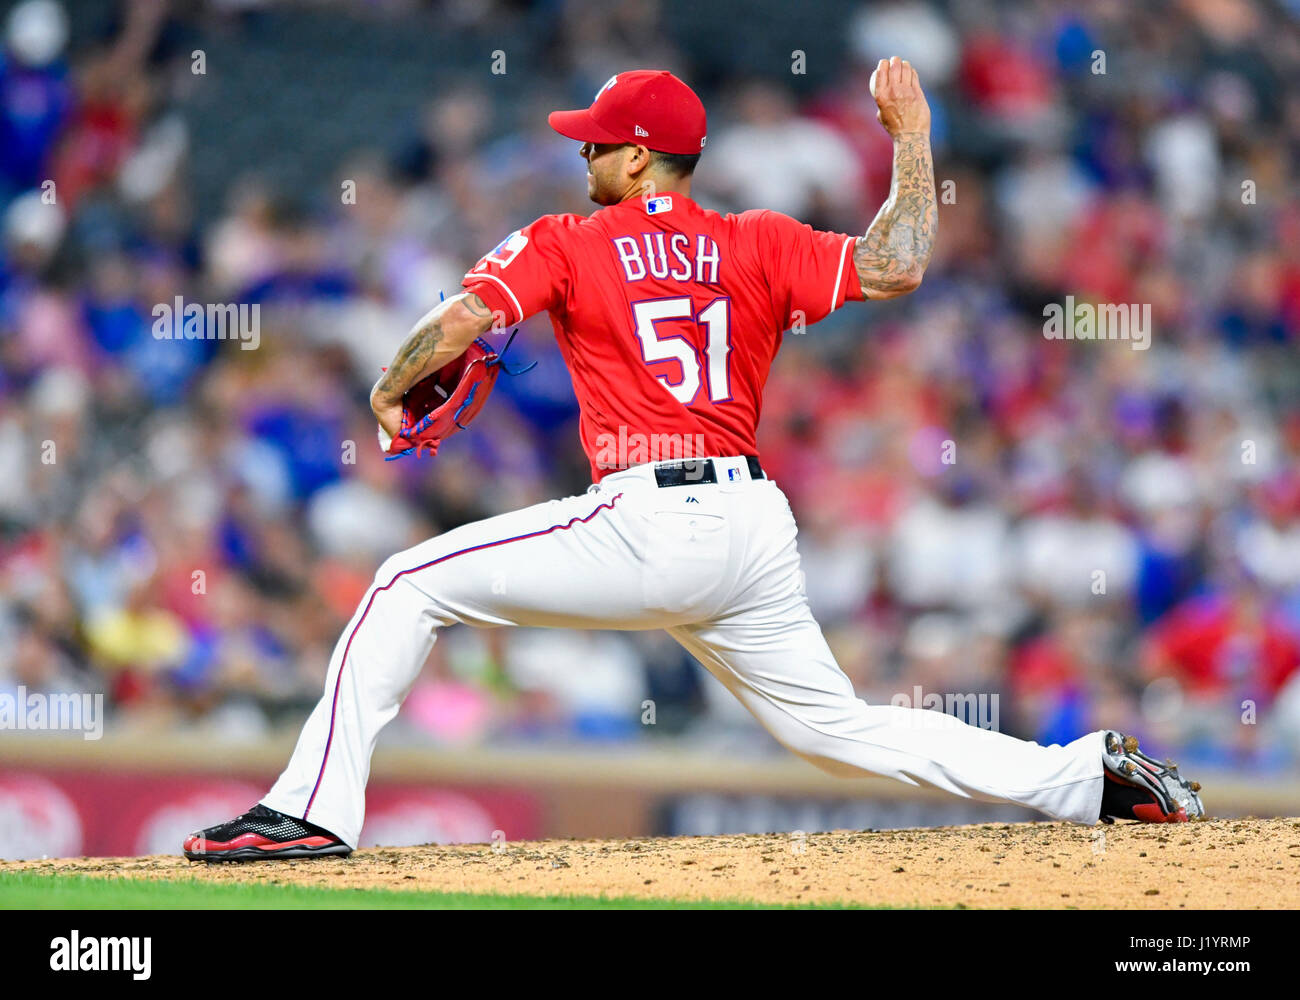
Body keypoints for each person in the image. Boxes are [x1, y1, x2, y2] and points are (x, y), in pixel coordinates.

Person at [185, 61, 1202, 862]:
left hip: (647, 513)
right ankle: (1084, 779)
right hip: (751, 524)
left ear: (636, 160)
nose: (582, 157)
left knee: (406, 581)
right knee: (834, 729)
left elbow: (458, 322)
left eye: (595, 144)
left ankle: (308, 811)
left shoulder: (567, 237)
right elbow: (896, 262)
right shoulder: (755, 238)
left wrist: (385, 386)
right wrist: (915, 141)